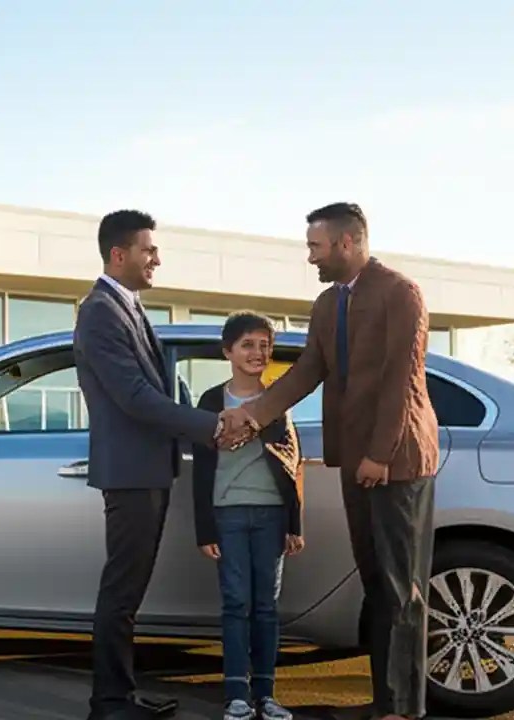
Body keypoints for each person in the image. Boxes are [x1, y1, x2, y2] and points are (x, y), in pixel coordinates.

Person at [218, 202, 438, 720]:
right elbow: (307, 371)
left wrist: (380, 455)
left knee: (401, 589)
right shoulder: (327, 303)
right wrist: (253, 415)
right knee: (376, 584)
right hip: (356, 461)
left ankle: (402, 709)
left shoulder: (400, 293)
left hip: (397, 460)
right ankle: (385, 700)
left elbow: (402, 381)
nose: (310, 256)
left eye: (316, 246)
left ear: (346, 242)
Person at [73, 209, 226, 720]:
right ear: (119, 254)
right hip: (131, 473)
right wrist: (211, 426)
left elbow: (159, 389)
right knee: (121, 591)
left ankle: (121, 694)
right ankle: (109, 704)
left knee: (128, 591)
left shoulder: (128, 307)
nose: (157, 258)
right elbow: (135, 396)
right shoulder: (100, 312)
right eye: (148, 250)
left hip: (148, 470)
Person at [191, 312, 305, 720]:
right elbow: (202, 468)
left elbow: (292, 463)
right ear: (228, 352)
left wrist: (294, 524)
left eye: (264, 345)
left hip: (272, 515)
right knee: (236, 602)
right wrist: (204, 528)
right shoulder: (211, 401)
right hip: (228, 515)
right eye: (247, 345)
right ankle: (236, 695)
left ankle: (267, 695)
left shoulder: (276, 401)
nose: (257, 353)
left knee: (266, 606)